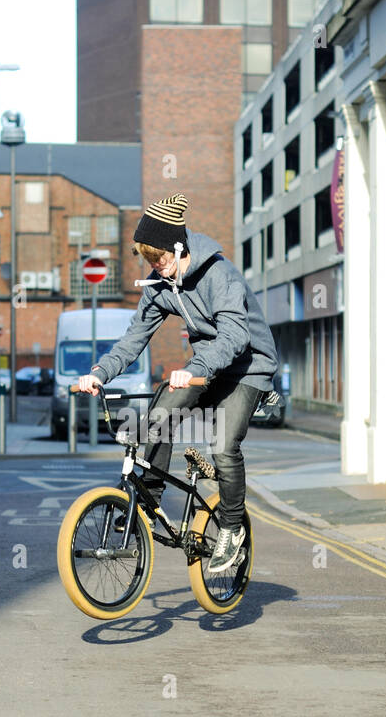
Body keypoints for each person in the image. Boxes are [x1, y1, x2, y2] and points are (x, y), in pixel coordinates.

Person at [76, 193, 280, 574]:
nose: (157, 266)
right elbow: (133, 338)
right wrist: (99, 373)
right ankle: (148, 504)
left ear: (178, 245)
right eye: (150, 260)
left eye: (161, 258)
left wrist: (196, 366)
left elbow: (235, 336)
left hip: (248, 367)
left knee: (223, 443)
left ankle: (232, 529)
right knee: (161, 412)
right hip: (207, 366)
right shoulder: (159, 284)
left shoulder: (219, 274)